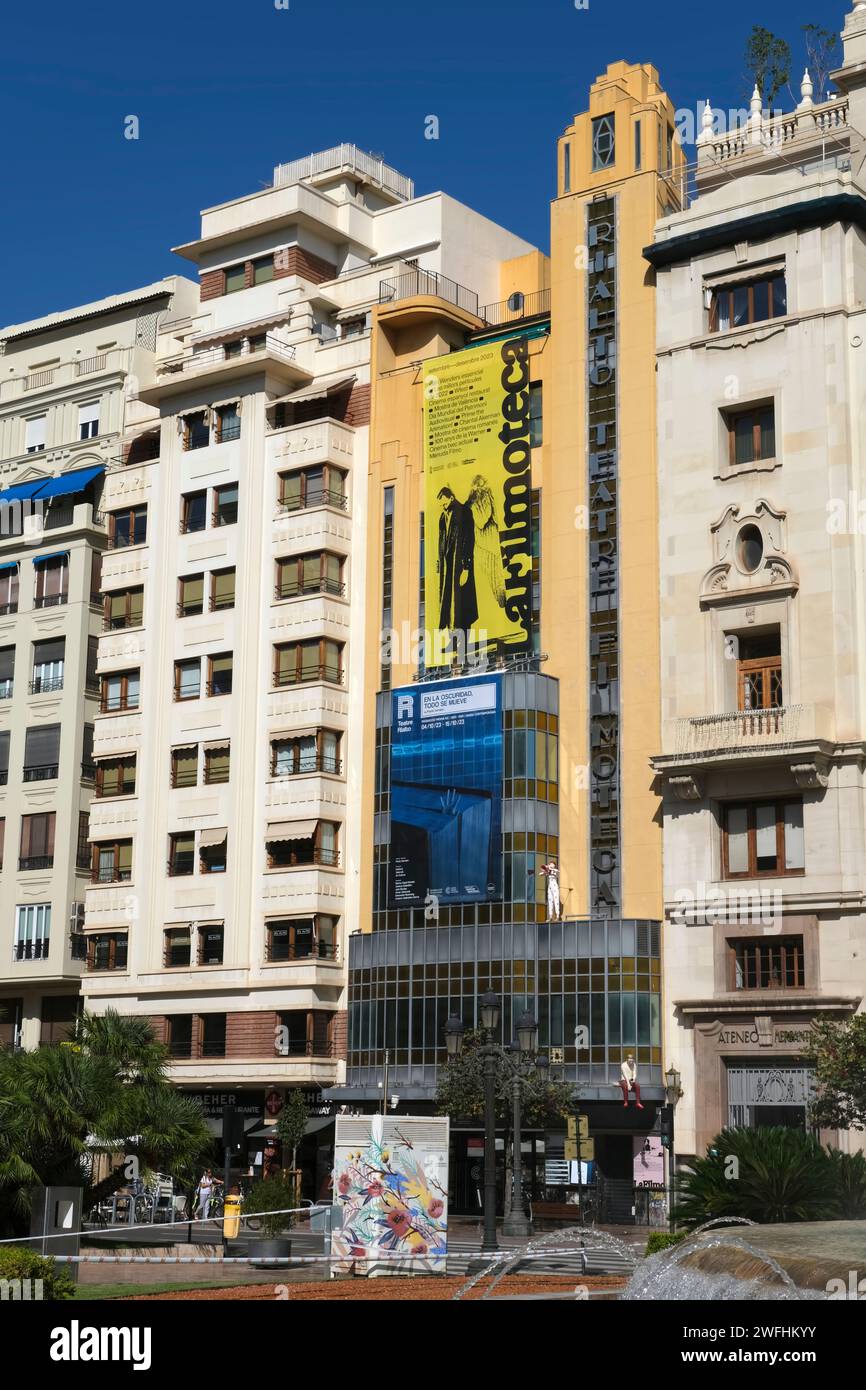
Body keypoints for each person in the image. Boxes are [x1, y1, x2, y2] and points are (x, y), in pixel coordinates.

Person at [436, 486, 478, 641]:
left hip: (459, 565)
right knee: (448, 603)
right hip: (447, 567)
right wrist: (438, 564)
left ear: (451, 498)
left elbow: (469, 540)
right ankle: (452, 638)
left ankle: (463, 640)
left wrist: (466, 567)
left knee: (461, 602)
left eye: (444, 503)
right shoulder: (442, 517)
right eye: (441, 504)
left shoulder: (464, 512)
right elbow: (441, 542)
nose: (443, 506)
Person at [467, 475, 506, 610]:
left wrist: (472, 505)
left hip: (488, 543)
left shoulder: (483, 496)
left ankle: (501, 602)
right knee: (490, 578)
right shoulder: (478, 498)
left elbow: (481, 520)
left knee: (494, 577)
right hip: (483, 543)